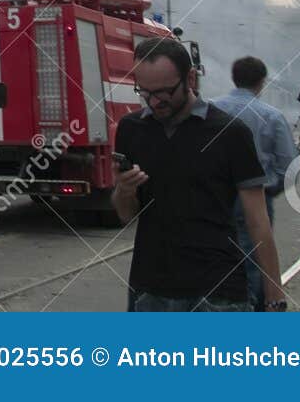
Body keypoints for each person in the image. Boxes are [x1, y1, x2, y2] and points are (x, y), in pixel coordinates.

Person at [114, 37, 285, 312]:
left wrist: (274, 293)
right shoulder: (131, 130)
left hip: (219, 292)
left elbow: (257, 220)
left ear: (190, 78)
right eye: (144, 92)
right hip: (151, 290)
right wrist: (124, 190)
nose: (154, 102)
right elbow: (126, 215)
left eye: (164, 92)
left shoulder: (231, 133)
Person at [211, 56, 298, 310]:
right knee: (255, 258)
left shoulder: (209, 110)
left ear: (233, 77)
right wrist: (269, 190)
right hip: (257, 197)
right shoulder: (271, 116)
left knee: (215, 256)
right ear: (262, 83)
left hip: (212, 197)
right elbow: (288, 166)